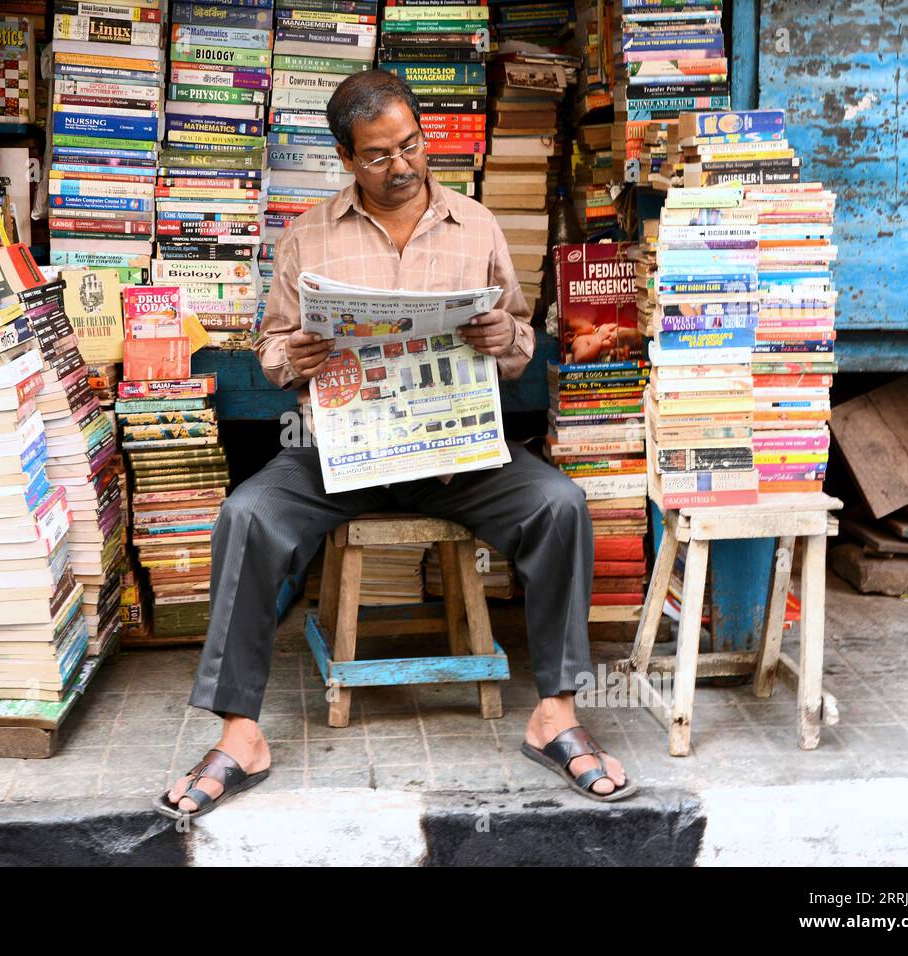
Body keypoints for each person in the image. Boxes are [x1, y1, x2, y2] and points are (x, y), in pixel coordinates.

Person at [156, 70, 636, 819]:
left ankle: (557, 716)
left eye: (411, 144)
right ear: (347, 158)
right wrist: (297, 359)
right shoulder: (307, 235)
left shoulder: (474, 224)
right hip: (339, 456)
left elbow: (520, 342)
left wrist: (501, 333)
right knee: (246, 516)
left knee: (560, 504)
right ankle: (241, 733)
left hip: (455, 455)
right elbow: (271, 350)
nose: (403, 165)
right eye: (379, 155)